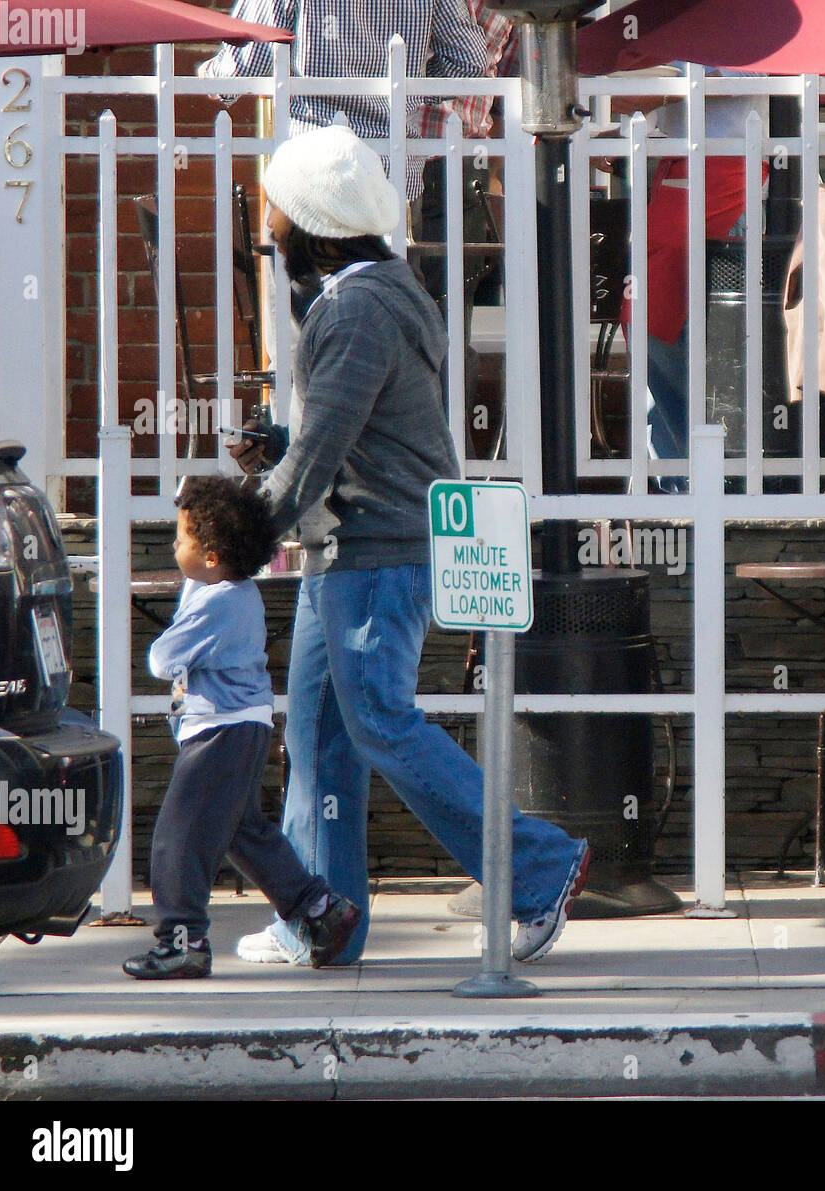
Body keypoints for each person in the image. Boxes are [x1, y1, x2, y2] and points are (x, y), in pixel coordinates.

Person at [227, 124, 588, 966]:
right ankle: (322, 918)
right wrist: (282, 451)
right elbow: (346, 437)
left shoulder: (355, 307)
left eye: (275, 204)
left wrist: (239, 536)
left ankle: (538, 865)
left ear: (309, 218)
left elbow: (323, 458)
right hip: (350, 549)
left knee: (381, 722)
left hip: (378, 554)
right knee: (318, 736)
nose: (266, 219)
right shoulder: (377, 290)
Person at [123, 478, 360, 980]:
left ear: (210, 556)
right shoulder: (231, 590)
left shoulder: (217, 603)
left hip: (219, 733)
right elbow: (195, 582)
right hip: (241, 728)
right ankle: (318, 909)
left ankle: (181, 941)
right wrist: (191, 504)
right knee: (243, 832)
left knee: (177, 839)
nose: (173, 546)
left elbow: (162, 658)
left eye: (181, 539)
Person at [613, 62, 769, 490]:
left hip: (726, 177)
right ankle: (682, 488)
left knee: (714, 351)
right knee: (652, 328)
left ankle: (707, 487)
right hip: (679, 169)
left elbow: (755, 73)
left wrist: (654, 91)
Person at [199, 0, 491, 207]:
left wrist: (213, 78)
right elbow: (469, 61)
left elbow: (246, 64)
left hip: (311, 166)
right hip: (392, 174)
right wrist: (407, 92)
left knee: (309, 291)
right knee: (385, 290)